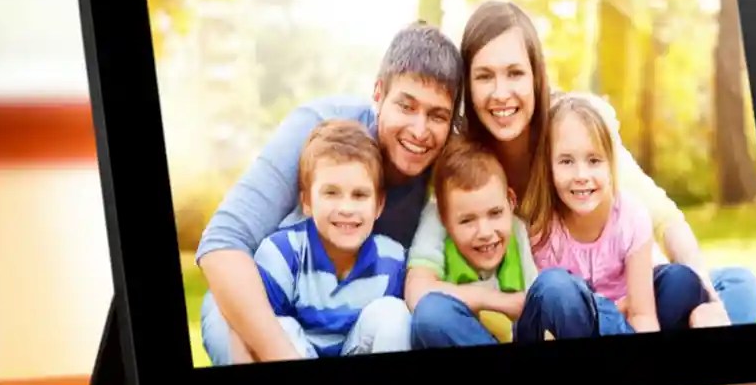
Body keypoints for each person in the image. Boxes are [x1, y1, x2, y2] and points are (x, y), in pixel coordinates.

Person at [406, 0, 756, 334]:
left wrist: (710, 303)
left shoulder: (574, 130)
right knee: (546, 297)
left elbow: (664, 219)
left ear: (536, 77)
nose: (501, 93)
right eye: (485, 76)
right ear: (468, 82)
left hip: (619, 301)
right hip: (550, 309)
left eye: (515, 73)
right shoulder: (465, 161)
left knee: (738, 285)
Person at [198, 22, 463, 365]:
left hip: (360, 325)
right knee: (225, 319)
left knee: (394, 314)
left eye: (437, 116)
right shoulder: (321, 130)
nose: (419, 130)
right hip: (284, 304)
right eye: (407, 106)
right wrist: (282, 355)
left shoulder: (448, 171)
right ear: (379, 93)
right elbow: (223, 241)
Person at [409, 138, 634, 348]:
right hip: (472, 337)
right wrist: (501, 302)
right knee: (431, 313)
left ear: (510, 201)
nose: (485, 232)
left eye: (495, 213)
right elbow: (419, 297)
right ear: (444, 219)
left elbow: (542, 300)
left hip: (524, 334)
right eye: (467, 220)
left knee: (559, 285)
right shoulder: (438, 231)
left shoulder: (518, 229)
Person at [529, 96, 712, 332]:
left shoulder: (631, 218)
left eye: (594, 160)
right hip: (578, 325)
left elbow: (642, 315)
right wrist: (612, 309)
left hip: (627, 319)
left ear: (610, 164)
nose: (581, 174)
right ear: (548, 166)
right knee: (556, 288)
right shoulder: (542, 230)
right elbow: (554, 309)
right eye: (566, 161)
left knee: (681, 281)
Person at [233, 120, 410, 360]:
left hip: (357, 347)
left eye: (359, 195)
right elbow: (253, 331)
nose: (346, 208)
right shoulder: (282, 253)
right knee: (279, 326)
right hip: (295, 352)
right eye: (331, 193)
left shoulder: (393, 259)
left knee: (393, 312)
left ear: (379, 205)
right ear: (306, 202)